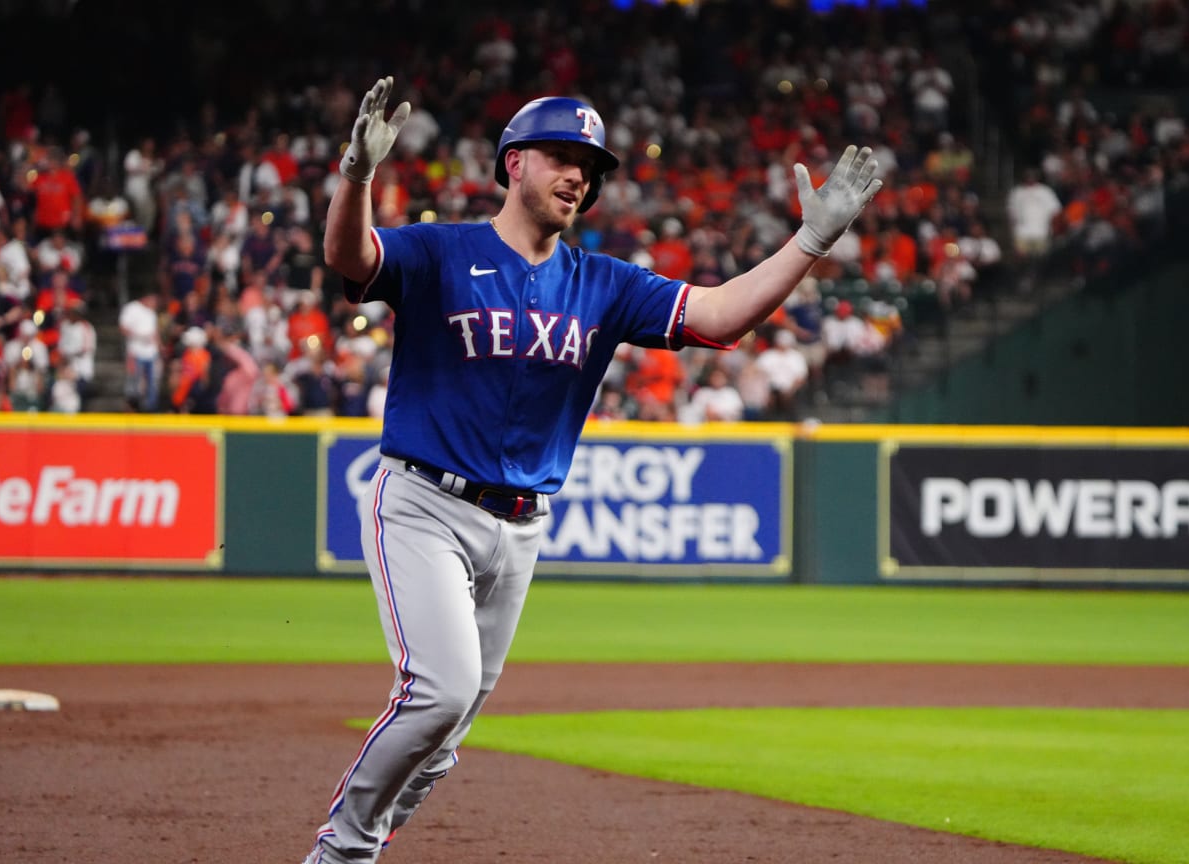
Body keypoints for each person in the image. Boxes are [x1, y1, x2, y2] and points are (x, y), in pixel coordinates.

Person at [300, 77, 881, 864]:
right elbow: (350, 259)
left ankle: (369, 835)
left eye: (589, 165)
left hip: (521, 526)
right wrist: (358, 177)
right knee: (437, 692)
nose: (578, 174)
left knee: (444, 733)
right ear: (513, 164)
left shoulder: (603, 283)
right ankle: (342, 851)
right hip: (424, 504)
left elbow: (717, 317)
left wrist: (808, 244)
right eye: (561, 157)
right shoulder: (442, 249)